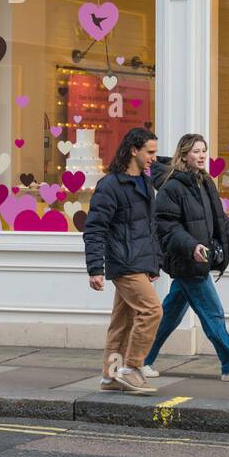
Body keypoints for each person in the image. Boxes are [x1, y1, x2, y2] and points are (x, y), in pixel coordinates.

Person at [147, 133, 229, 381]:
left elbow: (222, 223)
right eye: (196, 151)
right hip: (188, 261)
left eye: (204, 150)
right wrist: (192, 246)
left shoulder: (205, 182)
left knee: (169, 315)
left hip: (200, 259)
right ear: (184, 154)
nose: (201, 155)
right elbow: (167, 226)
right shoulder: (171, 186)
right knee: (213, 313)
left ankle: (141, 359)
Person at [83, 126, 164, 394]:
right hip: (124, 262)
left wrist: (154, 263)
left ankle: (110, 375)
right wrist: (96, 268)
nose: (154, 157)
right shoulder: (111, 185)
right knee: (152, 310)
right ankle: (131, 368)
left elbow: (149, 227)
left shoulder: (145, 181)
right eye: (149, 152)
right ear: (134, 150)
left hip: (139, 261)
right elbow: (94, 229)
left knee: (123, 321)